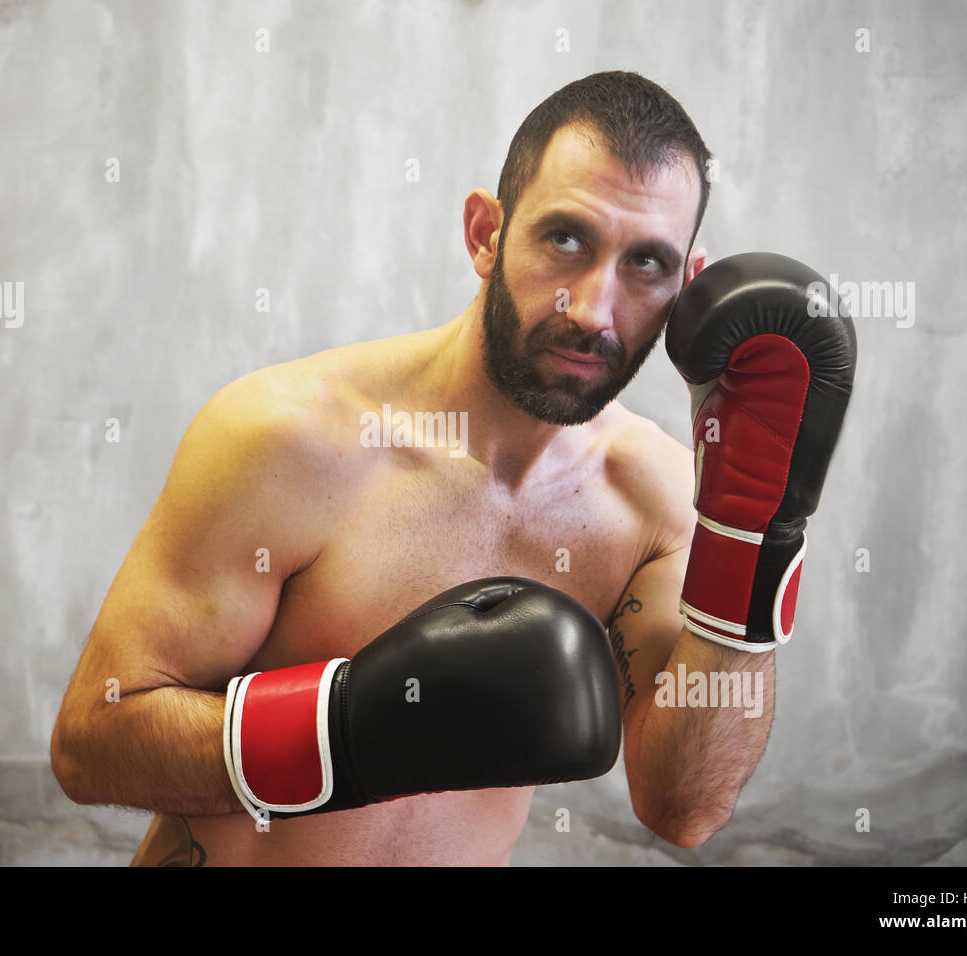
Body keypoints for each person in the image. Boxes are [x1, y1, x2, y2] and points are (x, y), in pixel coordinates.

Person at [49, 70, 855, 865]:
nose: (595, 310)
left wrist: (753, 533)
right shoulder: (286, 440)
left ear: (689, 282)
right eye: (565, 238)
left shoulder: (659, 501)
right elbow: (91, 742)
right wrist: (348, 730)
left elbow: (684, 809)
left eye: (646, 263)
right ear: (485, 233)